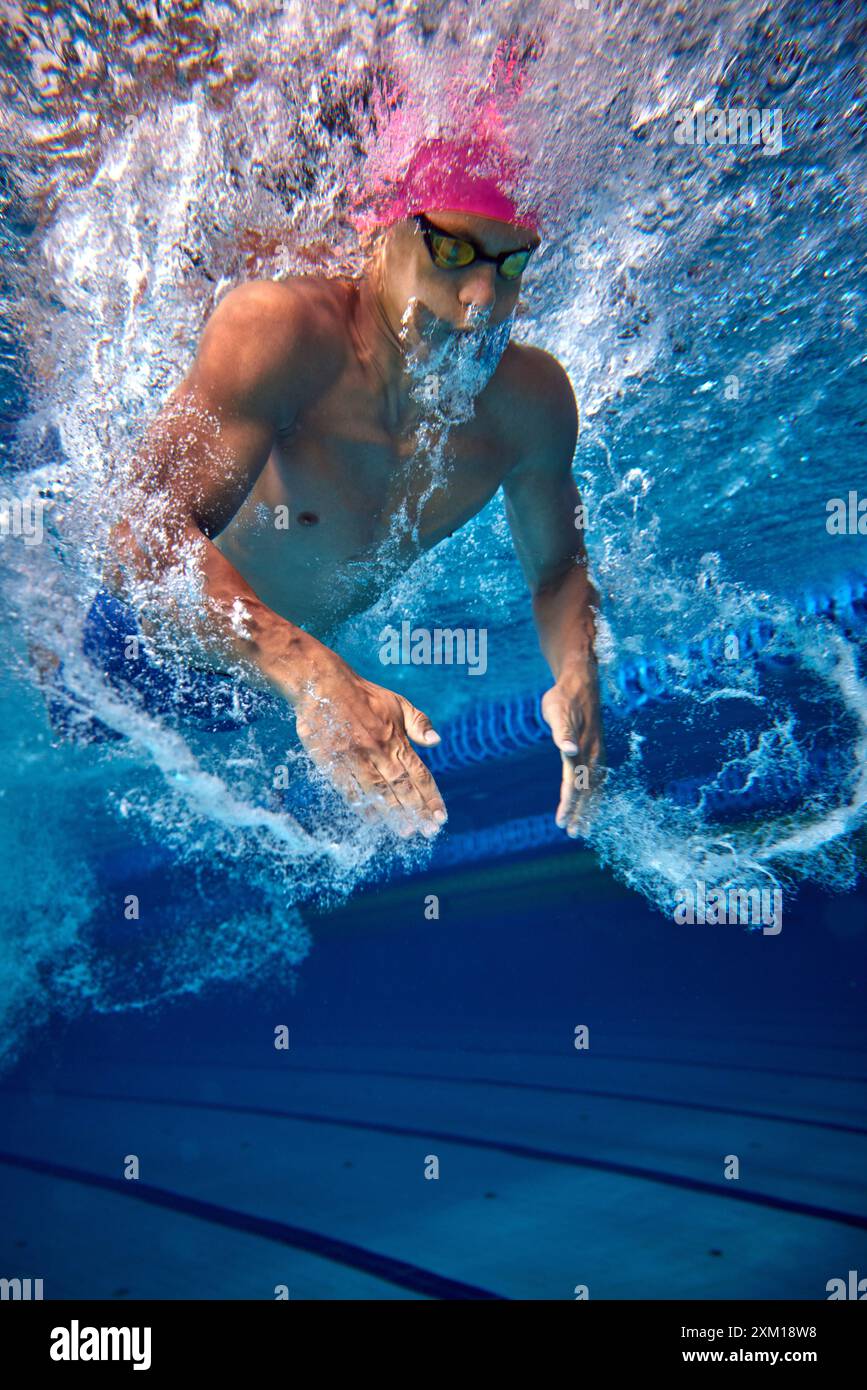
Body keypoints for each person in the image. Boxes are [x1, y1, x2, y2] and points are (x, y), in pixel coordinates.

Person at [81, 133, 605, 841]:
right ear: (382, 237)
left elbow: (557, 568)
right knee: (69, 743)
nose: (482, 298)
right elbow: (138, 535)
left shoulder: (530, 405)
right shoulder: (280, 332)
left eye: (509, 265)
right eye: (450, 250)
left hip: (273, 689)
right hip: (145, 643)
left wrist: (576, 669)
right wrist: (311, 674)